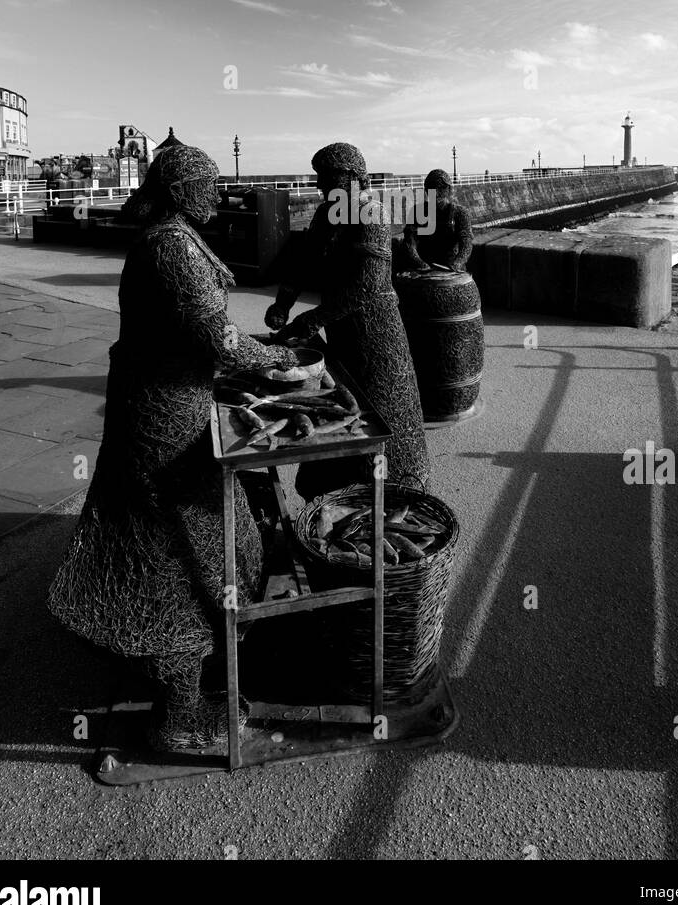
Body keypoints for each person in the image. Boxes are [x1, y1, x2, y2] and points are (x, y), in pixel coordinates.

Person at [47, 142, 297, 753]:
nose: (219, 195)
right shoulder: (172, 248)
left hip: (165, 404)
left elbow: (197, 333)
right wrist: (282, 363)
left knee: (198, 540)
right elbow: (219, 336)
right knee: (183, 550)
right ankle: (180, 716)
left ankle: (187, 682)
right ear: (181, 190)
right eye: (208, 185)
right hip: (165, 418)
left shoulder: (171, 235)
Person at [264, 141, 429, 497]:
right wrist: (284, 302)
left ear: (354, 177)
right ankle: (335, 490)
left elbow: (368, 286)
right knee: (341, 406)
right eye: (319, 177)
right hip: (341, 327)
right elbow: (303, 260)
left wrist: (309, 321)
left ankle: (394, 489)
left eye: (328, 177)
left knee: (382, 408)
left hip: (377, 332)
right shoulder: (328, 214)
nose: (321, 185)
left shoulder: (373, 214)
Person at [400, 168, 474, 272]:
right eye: (432, 188)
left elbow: (466, 242)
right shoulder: (417, 211)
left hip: (451, 268)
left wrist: (457, 263)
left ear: (448, 189)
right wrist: (420, 263)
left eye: (441, 188)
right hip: (424, 266)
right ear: (426, 190)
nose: (436, 192)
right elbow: (409, 242)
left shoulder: (460, 213)